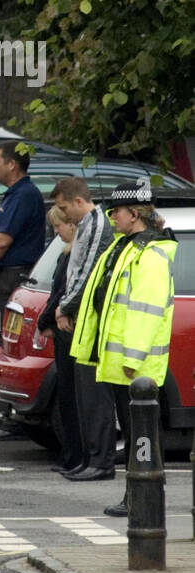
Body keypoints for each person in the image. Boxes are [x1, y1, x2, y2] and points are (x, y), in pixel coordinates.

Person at [68, 179, 178, 517]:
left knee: (140, 437)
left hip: (137, 367)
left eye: (117, 210)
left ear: (135, 213)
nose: (112, 215)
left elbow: (147, 310)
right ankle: (137, 497)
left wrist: (132, 358)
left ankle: (143, 500)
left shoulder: (150, 255)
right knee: (134, 437)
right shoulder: (125, 247)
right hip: (121, 364)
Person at [0, 141, 48, 440]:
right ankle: (10, 415)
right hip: (3, 277)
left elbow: (3, 241)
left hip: (11, 278)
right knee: (2, 343)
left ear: (12, 164)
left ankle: (12, 419)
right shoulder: (15, 195)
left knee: (8, 346)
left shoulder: (23, 195)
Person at [50, 177, 115, 480]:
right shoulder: (88, 225)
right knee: (82, 396)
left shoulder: (98, 224)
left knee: (94, 396)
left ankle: (99, 461)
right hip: (81, 317)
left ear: (78, 201)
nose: (65, 216)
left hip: (90, 320)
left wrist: (65, 307)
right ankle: (88, 459)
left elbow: (88, 271)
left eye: (65, 207)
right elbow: (75, 271)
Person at [35, 206, 84, 475]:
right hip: (64, 329)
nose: (56, 232)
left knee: (70, 396)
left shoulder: (71, 258)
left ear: (72, 225)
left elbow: (62, 293)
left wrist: (45, 321)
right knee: (67, 396)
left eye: (58, 226)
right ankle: (71, 454)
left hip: (67, 332)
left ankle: (74, 455)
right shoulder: (67, 255)